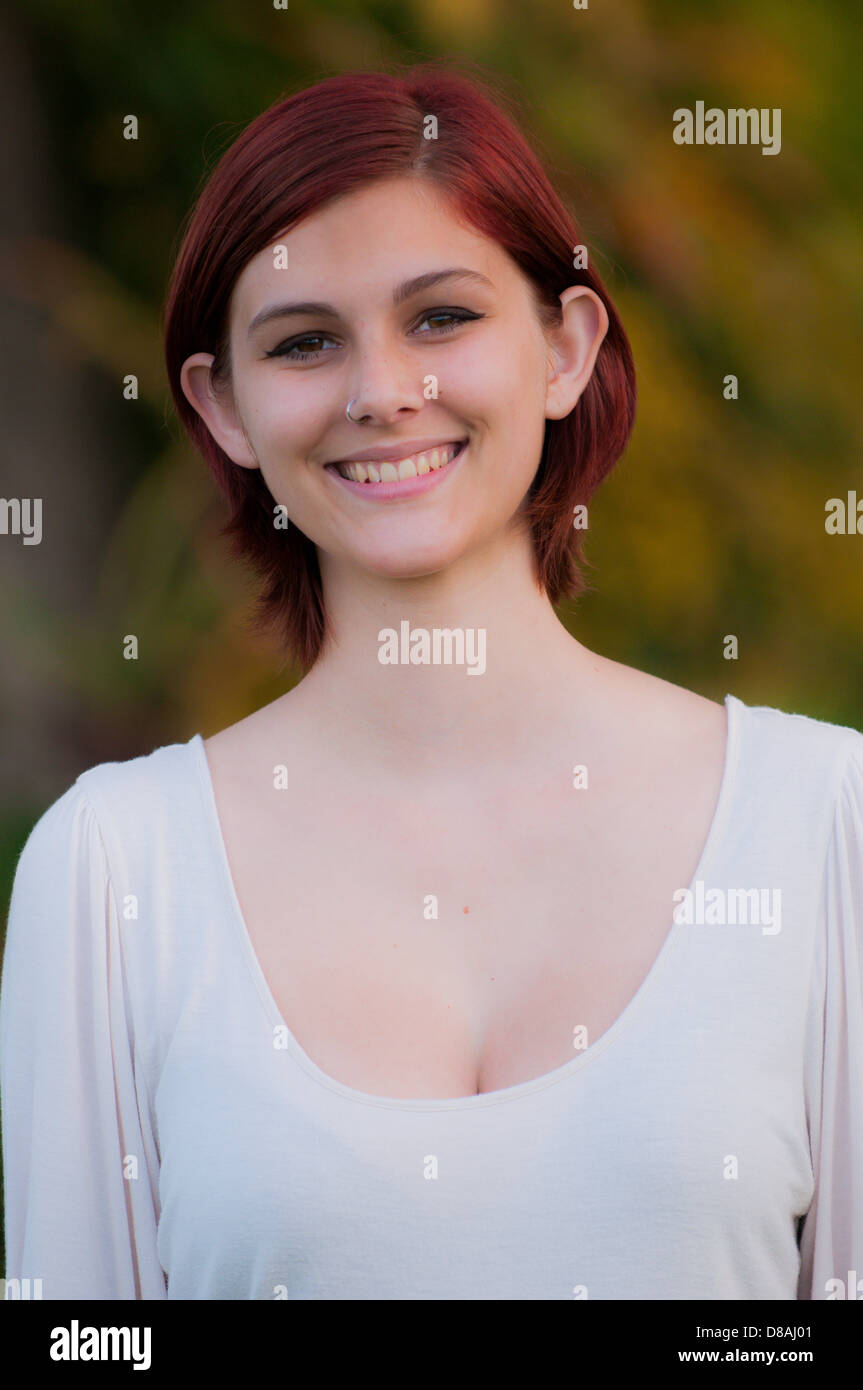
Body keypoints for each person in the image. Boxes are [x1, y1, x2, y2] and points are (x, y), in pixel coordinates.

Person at [2, 61, 861, 1302]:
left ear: (564, 348)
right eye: (304, 342)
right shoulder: (111, 874)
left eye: (442, 317)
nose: (381, 393)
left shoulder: (824, 825)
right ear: (224, 408)